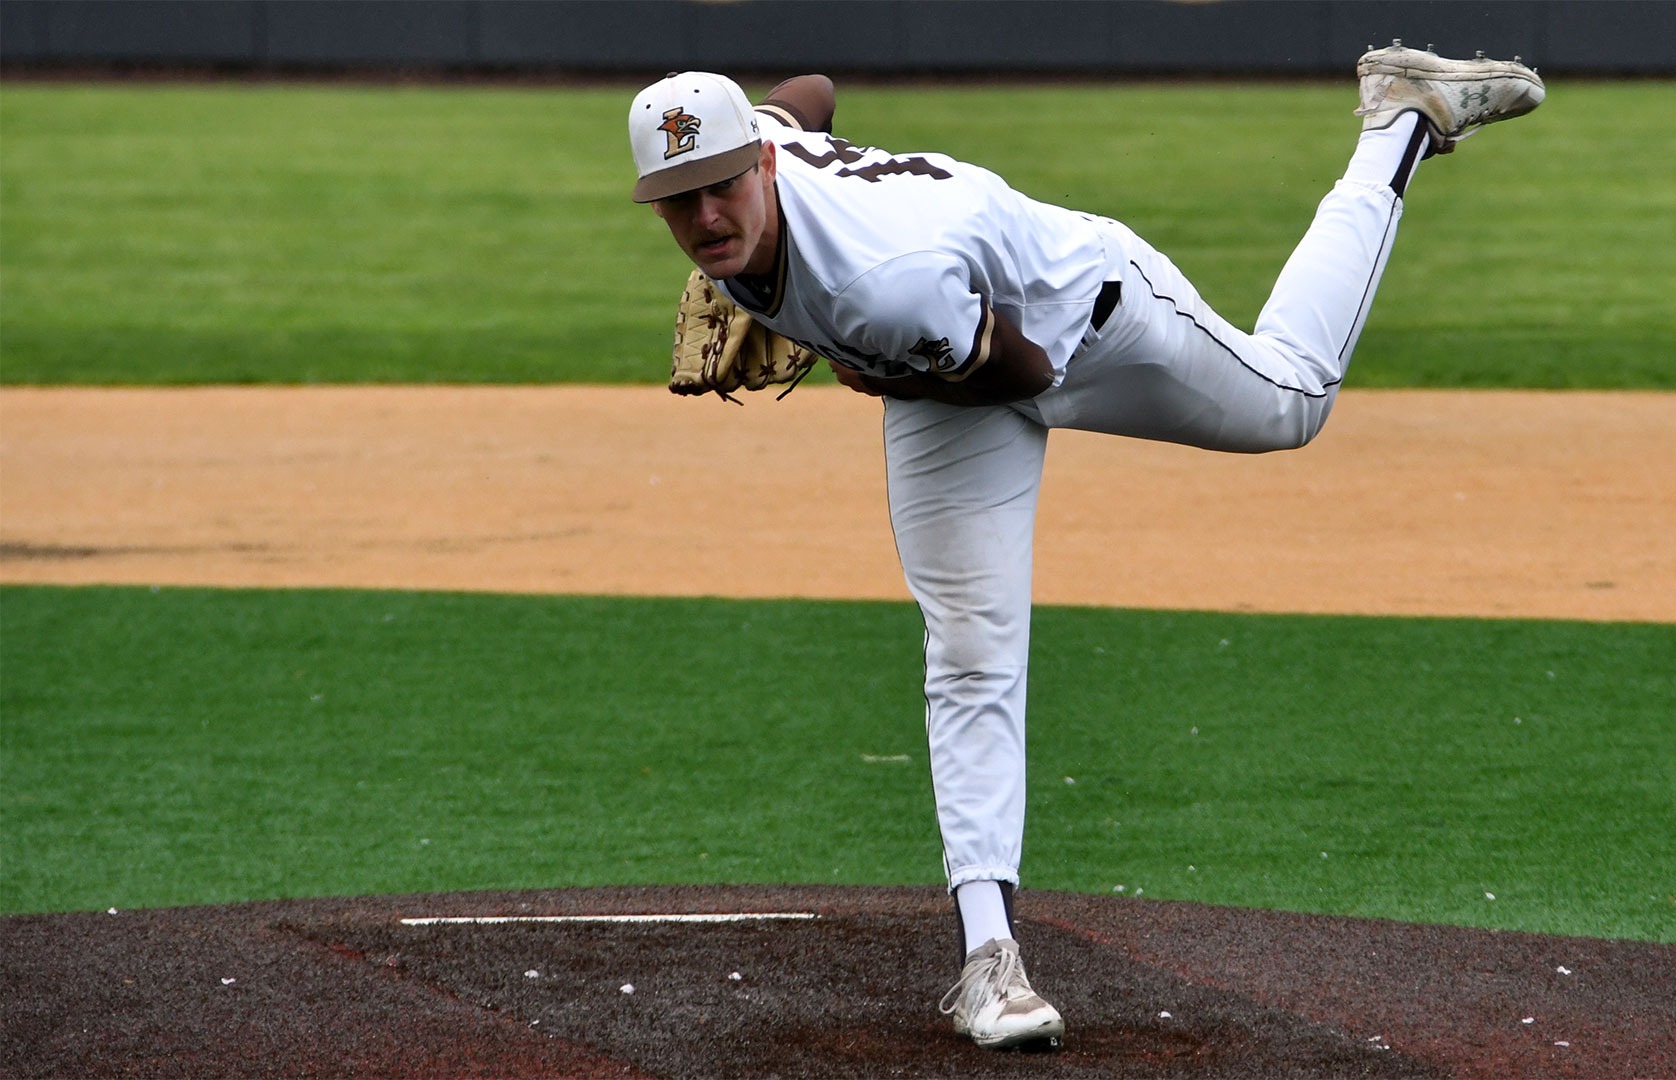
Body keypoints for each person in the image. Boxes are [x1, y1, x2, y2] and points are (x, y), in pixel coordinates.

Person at [628, 45, 1543, 1052]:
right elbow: (809, 94)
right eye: (679, 200)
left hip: (1086, 323)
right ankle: (991, 965)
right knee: (970, 651)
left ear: (756, 168)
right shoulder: (767, 143)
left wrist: (863, 366)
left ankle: (1401, 121)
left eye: (719, 189)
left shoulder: (886, 282)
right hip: (949, 350)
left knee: (1292, 401)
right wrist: (839, 320)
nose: (706, 219)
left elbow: (1015, 370)